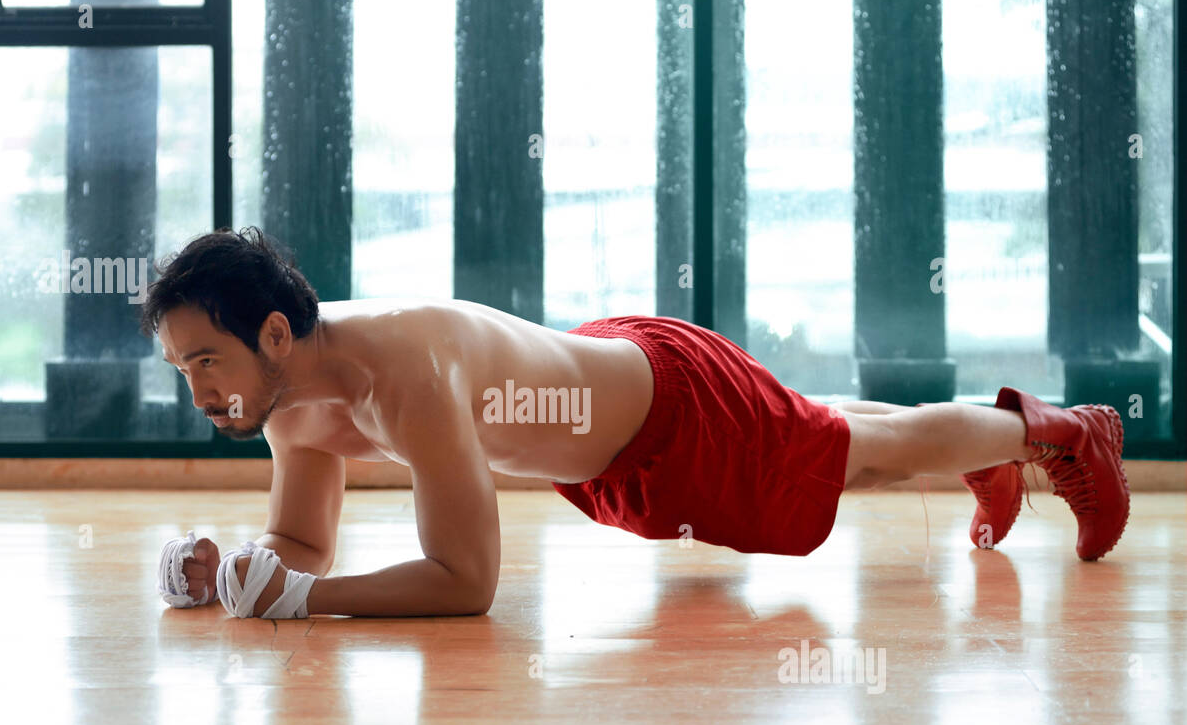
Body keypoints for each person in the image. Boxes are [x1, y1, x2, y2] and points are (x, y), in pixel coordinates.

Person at [143, 227, 1130, 619]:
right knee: (830, 438)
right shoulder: (292, 406)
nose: (199, 393)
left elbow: (466, 583)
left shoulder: (406, 375)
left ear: (274, 331)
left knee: (856, 459)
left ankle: (1058, 434)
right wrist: (229, 570)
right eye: (184, 369)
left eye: (205, 362)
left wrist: (302, 607)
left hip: (671, 413)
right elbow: (300, 542)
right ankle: (997, 447)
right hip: (611, 424)